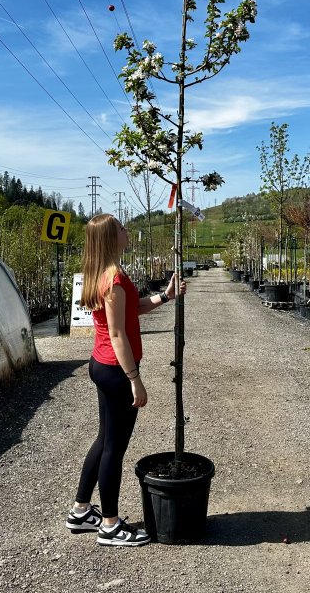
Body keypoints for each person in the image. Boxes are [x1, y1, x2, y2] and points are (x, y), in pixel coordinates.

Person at [66, 213, 185, 547]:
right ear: (110, 238)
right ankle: (109, 525)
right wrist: (135, 379)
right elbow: (118, 334)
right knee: (114, 449)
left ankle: (80, 511)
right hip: (117, 370)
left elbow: (130, 311)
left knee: (105, 440)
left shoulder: (102, 275)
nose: (126, 231)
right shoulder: (114, 279)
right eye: (121, 228)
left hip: (102, 364)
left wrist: (165, 296)